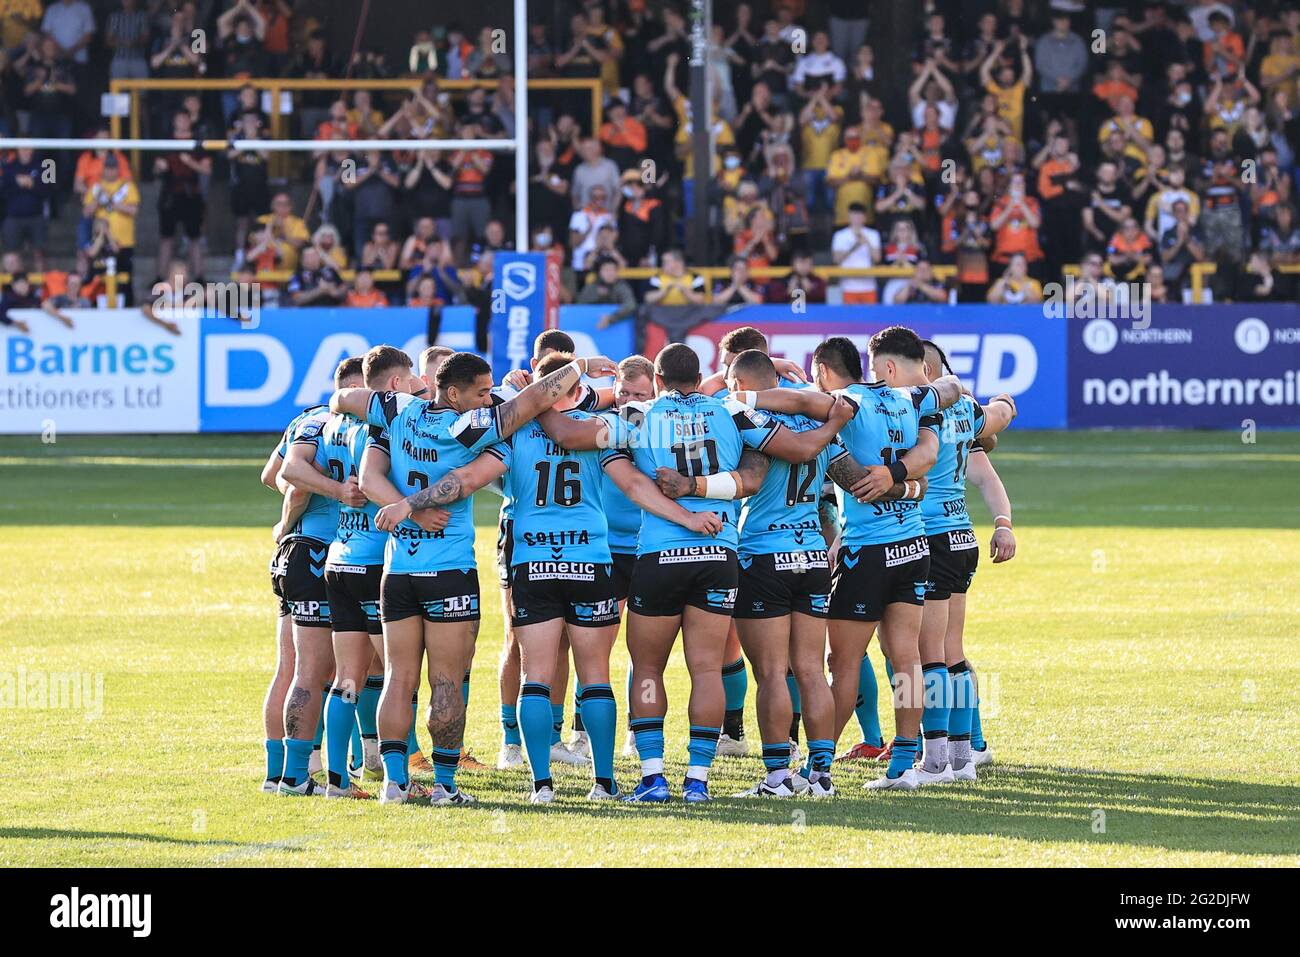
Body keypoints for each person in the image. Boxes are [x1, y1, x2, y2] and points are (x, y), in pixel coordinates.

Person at [381, 351, 720, 803]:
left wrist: (410, 501)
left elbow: (469, 478)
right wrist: (687, 516)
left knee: (535, 676)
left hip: (532, 563)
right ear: (573, 391)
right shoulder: (598, 430)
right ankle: (604, 783)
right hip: (590, 561)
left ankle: (541, 785)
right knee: (595, 674)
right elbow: (636, 486)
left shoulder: (511, 434)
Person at [535, 343, 853, 803]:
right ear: (704, 376)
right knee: (707, 669)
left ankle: (653, 777)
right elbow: (786, 457)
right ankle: (699, 781)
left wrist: (537, 402)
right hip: (720, 554)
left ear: (659, 381)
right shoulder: (732, 413)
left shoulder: (641, 416)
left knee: (647, 667)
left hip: (660, 556)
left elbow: (571, 436)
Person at [331, 350, 620, 805]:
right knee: (446, 680)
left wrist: (337, 407)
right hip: (448, 571)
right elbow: (517, 418)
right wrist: (580, 366)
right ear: (453, 393)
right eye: (481, 392)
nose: (488, 400)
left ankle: (394, 782)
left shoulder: (399, 409)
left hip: (398, 570)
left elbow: (346, 397)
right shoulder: (471, 426)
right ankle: (445, 786)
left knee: (399, 677)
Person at [745, 332, 964, 790]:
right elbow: (953, 388)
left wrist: (743, 393)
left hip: (868, 550)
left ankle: (817, 767)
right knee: (907, 657)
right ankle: (905, 763)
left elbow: (798, 405)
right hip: (915, 544)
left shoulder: (845, 401)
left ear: (825, 372)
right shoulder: (911, 399)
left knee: (842, 663)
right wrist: (905, 481)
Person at [268, 359, 370, 795]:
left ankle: (282, 772)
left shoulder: (305, 420)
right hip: (328, 553)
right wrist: (333, 491)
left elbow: (271, 475)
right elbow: (293, 478)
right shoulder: (346, 423)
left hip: (294, 553)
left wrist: (289, 518)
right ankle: (325, 774)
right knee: (336, 670)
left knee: (293, 668)